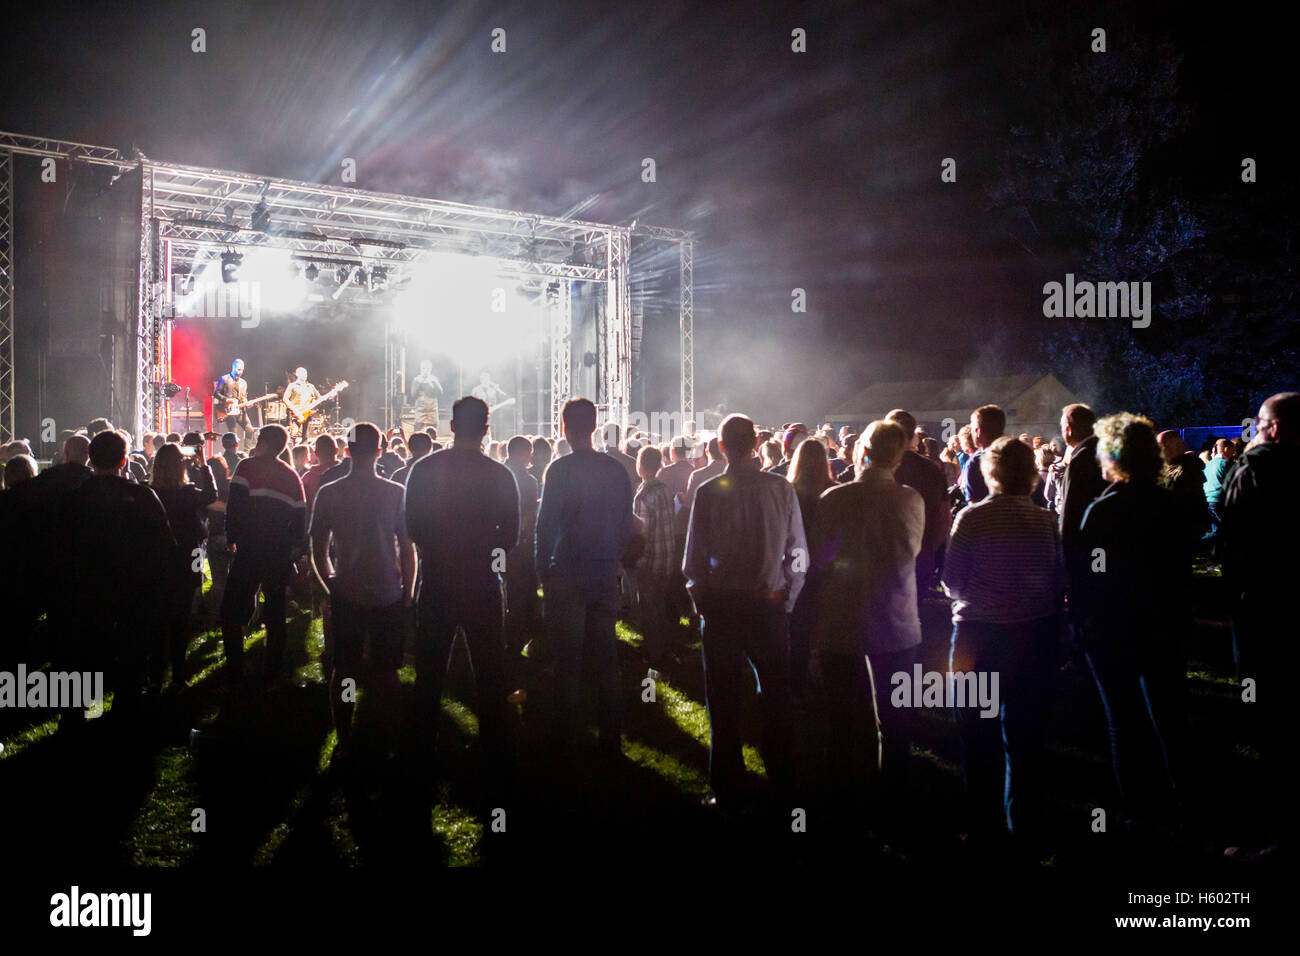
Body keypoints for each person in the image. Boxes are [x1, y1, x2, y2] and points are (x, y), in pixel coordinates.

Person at [1076, 414, 1200, 836]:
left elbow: (1092, 573)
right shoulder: (1173, 503)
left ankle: (1143, 814)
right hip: (1167, 621)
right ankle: (1187, 806)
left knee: (1125, 723)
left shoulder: (1105, 510)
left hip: (1117, 628)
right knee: (1171, 717)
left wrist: (1087, 621)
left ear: (1113, 455)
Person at [942, 436, 1065, 844]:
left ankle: (982, 827)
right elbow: (1059, 579)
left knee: (977, 735)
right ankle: (1024, 826)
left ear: (989, 472)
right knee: (1027, 735)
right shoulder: (1046, 520)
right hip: (1035, 633)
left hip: (979, 636)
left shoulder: (972, 518)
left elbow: (952, 581)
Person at [683, 413, 805, 810]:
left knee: (722, 697)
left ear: (721, 446)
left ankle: (728, 784)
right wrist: (786, 596)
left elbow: (693, 559)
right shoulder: (779, 488)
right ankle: (783, 778)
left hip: (723, 607)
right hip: (766, 606)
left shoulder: (708, 490)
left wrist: (701, 597)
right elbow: (799, 552)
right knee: (776, 695)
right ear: (754, 442)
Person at [811, 420, 924, 812]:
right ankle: (894, 794)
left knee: (844, 716)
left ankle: (846, 793)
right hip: (895, 618)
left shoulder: (834, 499)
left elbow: (820, 558)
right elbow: (912, 552)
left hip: (842, 619)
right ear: (899, 455)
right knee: (895, 717)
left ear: (862, 450)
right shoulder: (910, 500)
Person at [405, 397, 519, 780]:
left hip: (437, 580)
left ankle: (422, 747)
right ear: (486, 430)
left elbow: (413, 528)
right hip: (482, 583)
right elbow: (512, 535)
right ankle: (495, 750)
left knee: (430, 670)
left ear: (451, 427)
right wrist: (488, 554)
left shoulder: (424, 469)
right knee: (489, 669)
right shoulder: (500, 475)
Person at [1218, 392, 1300, 856]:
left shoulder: (1254, 470)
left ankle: (1278, 836)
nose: (1255, 432)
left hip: (1266, 612)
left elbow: (1233, 547)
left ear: (1275, 427)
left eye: (1260, 424)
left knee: (1273, 721)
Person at [536, 398, 636, 763]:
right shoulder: (615, 470)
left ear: (564, 427)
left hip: (567, 573)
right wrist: (615, 558)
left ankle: (565, 738)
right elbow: (627, 524)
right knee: (606, 657)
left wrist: (543, 571)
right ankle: (611, 738)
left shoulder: (559, 470)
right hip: (602, 572)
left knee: (568, 661)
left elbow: (545, 525)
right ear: (594, 426)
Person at [310, 423, 415, 761]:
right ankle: (390, 738)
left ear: (347, 450)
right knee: (387, 672)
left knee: (345, 670)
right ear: (381, 450)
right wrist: (408, 590)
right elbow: (409, 548)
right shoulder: (395, 492)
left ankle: (345, 739)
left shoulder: (330, 492)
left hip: (348, 592)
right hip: (388, 590)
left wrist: (330, 583)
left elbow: (317, 546)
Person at [58, 430, 174, 729]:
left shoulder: (74, 499)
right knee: (130, 656)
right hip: (133, 594)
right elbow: (164, 546)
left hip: (86, 593)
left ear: (91, 459)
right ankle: (125, 716)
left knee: (83, 657)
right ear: (124, 460)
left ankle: (73, 720)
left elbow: (60, 547)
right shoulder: (142, 496)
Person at [220, 424, 306, 688]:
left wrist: (232, 538)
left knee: (231, 610)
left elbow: (234, 505)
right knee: (276, 611)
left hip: (249, 549)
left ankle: (235, 668)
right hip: (277, 553)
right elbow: (300, 519)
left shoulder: (246, 466)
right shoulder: (292, 476)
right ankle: (273, 671)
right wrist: (291, 550)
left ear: (265, 443)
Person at [149, 442, 217, 688]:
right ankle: (178, 675)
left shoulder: (149, 492)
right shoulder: (187, 493)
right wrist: (204, 465)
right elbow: (211, 496)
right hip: (186, 560)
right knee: (180, 619)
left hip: (157, 562)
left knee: (157, 621)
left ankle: (155, 675)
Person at [887, 409, 952, 597]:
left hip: (886, 555)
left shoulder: (882, 466)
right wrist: (931, 546)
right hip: (922, 553)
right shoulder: (930, 468)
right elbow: (944, 515)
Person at [632, 445, 676, 670]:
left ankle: (655, 655)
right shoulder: (665, 490)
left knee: (650, 609)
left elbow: (642, 533)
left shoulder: (644, 494)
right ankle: (665, 647)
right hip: (667, 557)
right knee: (660, 606)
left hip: (650, 561)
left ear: (640, 464)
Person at [502, 435, 540, 660]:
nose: (531, 457)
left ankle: (503, 634)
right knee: (521, 591)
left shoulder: (495, 474)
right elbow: (529, 517)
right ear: (522, 453)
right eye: (529, 452)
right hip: (520, 546)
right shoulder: (528, 481)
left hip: (497, 545)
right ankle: (516, 640)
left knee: (502, 585)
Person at [957, 405, 1006, 506]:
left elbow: (974, 506)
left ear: (978, 432)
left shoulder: (976, 462)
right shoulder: (1019, 455)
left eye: (973, 428)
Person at [214, 359, 252, 450]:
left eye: (242, 370)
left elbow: (243, 397)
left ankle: (247, 453)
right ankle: (234, 453)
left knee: (250, 430)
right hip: (228, 411)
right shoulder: (224, 379)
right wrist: (227, 400)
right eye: (238, 369)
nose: (240, 372)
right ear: (233, 368)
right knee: (233, 434)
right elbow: (216, 393)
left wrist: (247, 402)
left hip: (240, 411)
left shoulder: (243, 382)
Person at [283, 367, 323, 444]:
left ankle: (303, 453)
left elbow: (319, 398)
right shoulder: (292, 385)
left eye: (306, 373)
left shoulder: (311, 386)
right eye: (303, 373)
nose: (305, 375)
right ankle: (291, 454)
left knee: (305, 438)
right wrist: (294, 409)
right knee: (293, 436)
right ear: (297, 374)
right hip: (296, 414)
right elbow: (285, 399)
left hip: (308, 414)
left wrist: (330, 396)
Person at [409, 359, 444, 430]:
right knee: (418, 434)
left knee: (432, 432)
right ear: (420, 368)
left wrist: (434, 383)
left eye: (427, 368)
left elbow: (440, 393)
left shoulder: (434, 379)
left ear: (430, 369)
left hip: (432, 411)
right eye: (423, 368)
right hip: (420, 411)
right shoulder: (417, 379)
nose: (425, 370)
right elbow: (413, 394)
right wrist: (419, 384)